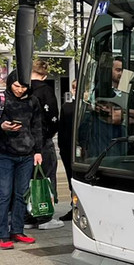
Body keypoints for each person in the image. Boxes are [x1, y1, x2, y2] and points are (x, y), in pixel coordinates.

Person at [0, 71, 43, 249]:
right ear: (9, 83)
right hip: (4, 153)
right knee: (4, 194)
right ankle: (2, 234)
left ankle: (17, 230)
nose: (20, 90)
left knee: (21, 194)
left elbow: (37, 127)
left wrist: (38, 151)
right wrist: (1, 126)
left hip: (26, 154)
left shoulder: (33, 101)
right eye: (16, 86)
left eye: (23, 87)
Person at [25, 60, 63, 229]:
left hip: (24, 142)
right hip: (43, 140)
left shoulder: (20, 89)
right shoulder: (45, 90)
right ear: (45, 74)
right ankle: (45, 216)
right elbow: (53, 116)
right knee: (46, 176)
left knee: (27, 179)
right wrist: (51, 132)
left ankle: (28, 216)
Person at [58, 79, 76, 222]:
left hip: (81, 149)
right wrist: (62, 147)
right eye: (74, 88)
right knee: (71, 179)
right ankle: (74, 205)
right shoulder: (67, 107)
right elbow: (62, 129)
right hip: (68, 148)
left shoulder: (92, 107)